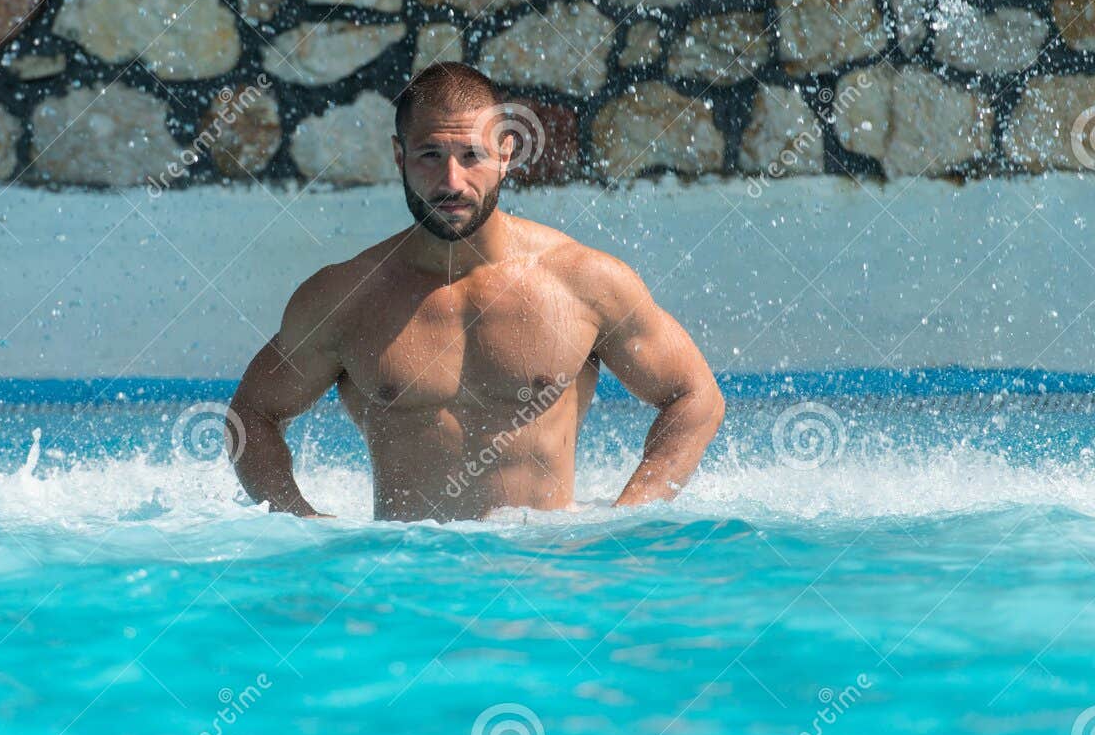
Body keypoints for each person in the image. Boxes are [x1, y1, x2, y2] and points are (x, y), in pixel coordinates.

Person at [227, 62, 724, 521]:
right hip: (406, 582)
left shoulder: (582, 282)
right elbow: (251, 415)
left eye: (472, 156)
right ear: (399, 156)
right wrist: (303, 522)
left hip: (541, 572)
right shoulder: (345, 297)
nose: (452, 181)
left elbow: (695, 397)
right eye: (430, 155)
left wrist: (627, 517)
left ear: (506, 154)